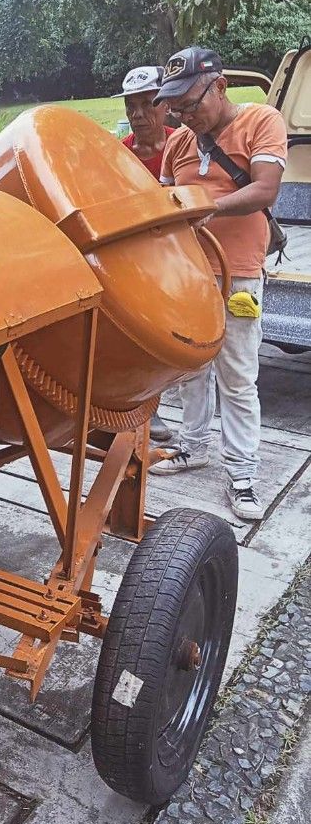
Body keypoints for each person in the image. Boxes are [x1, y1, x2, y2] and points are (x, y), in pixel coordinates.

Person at [149, 46, 288, 521]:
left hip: (240, 272)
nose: (186, 116)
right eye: (178, 108)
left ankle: (243, 471)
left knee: (237, 374)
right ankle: (193, 445)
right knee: (189, 365)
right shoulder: (179, 142)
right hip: (188, 272)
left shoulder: (261, 121)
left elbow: (265, 190)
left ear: (220, 86)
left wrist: (208, 209)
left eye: (192, 104)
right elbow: (163, 197)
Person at [114, 65, 178, 442]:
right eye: (131, 106)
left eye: (147, 105)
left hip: (176, 256)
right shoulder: (117, 154)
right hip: (134, 259)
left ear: (165, 106)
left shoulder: (182, 144)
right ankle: (145, 409)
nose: (138, 115)